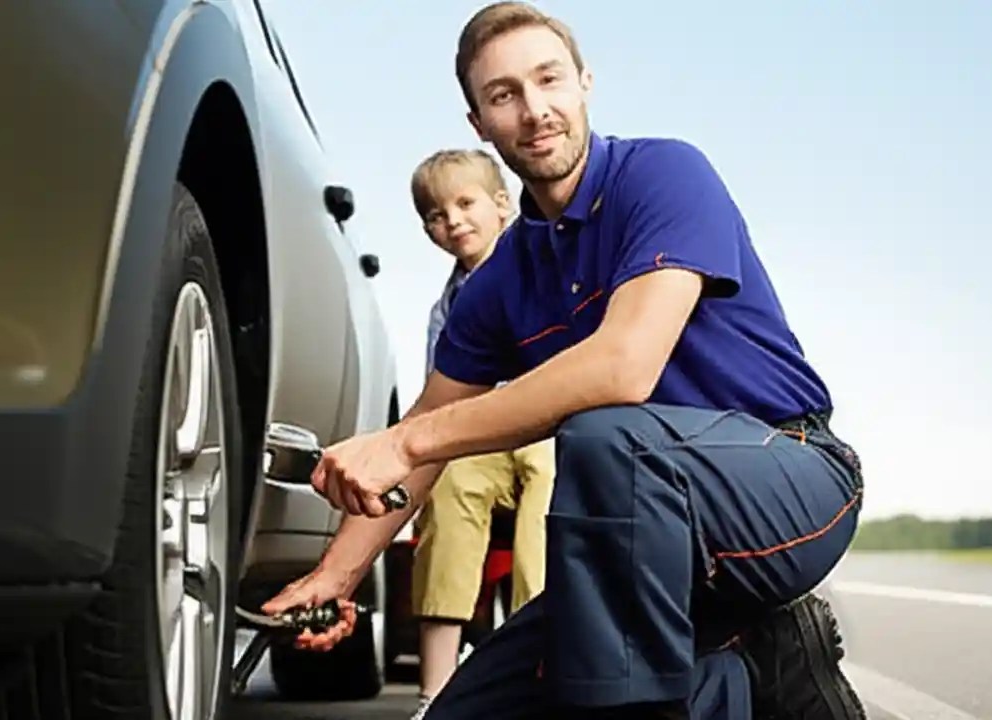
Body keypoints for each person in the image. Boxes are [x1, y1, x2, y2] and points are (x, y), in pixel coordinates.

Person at [262, 2, 868, 718]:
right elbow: (433, 425)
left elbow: (622, 370)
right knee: (469, 710)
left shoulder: (665, 174)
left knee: (606, 435)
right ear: (479, 124)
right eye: (503, 95)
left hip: (787, 478)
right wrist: (337, 574)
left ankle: (710, 666)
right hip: (638, 536)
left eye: (548, 80)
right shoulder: (496, 285)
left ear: (583, 82)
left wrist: (399, 440)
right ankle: (752, 660)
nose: (535, 109)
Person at [409, 147, 556, 714]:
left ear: (502, 206)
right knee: (449, 487)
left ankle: (537, 671)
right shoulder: (445, 310)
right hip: (481, 438)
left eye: (465, 204)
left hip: (546, 429)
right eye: (435, 215)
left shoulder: (542, 273)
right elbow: (438, 406)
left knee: (549, 496)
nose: (453, 221)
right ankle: (436, 689)